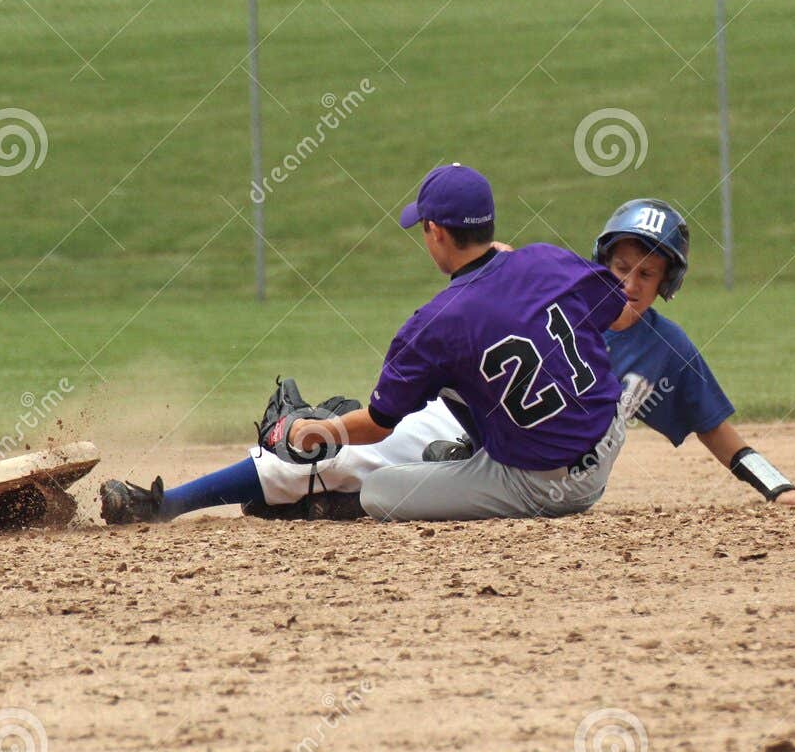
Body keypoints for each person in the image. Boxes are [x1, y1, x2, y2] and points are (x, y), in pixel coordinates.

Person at [99, 194, 795, 524]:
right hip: (475, 433)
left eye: (648, 274)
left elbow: (718, 432)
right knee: (332, 453)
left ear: (665, 285)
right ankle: (165, 505)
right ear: (600, 257)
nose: (629, 283)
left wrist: (779, 489)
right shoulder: (553, 290)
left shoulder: (663, 349)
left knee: (365, 473)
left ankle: (313, 492)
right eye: (621, 264)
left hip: (541, 477)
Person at [103, 163, 631, 523]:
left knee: (377, 487)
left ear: (435, 232)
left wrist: (317, 429)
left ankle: (173, 506)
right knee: (446, 395)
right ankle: (172, 503)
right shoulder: (546, 260)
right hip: (606, 439)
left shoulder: (436, 323)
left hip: (541, 484)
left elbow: (378, 424)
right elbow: (615, 307)